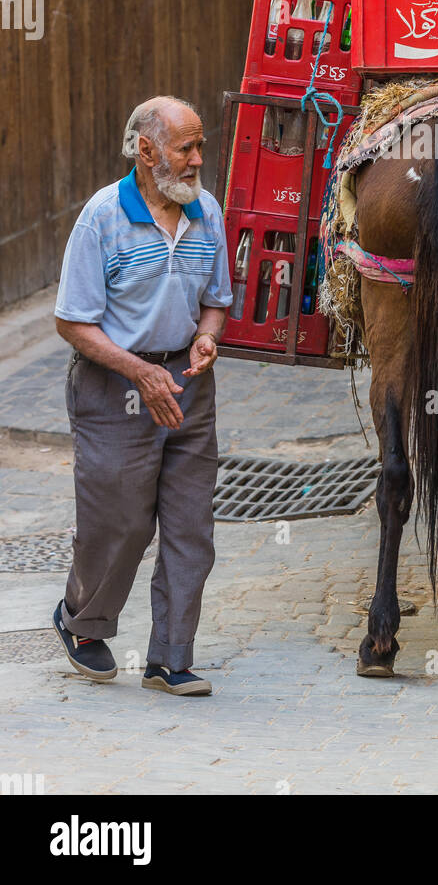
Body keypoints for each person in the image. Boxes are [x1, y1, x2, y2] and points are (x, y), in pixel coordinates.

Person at [52, 97, 233, 693]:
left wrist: (206, 338)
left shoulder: (205, 210)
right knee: (121, 521)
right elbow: (72, 321)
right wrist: (139, 372)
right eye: (186, 148)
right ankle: (83, 621)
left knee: (191, 526)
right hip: (115, 389)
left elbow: (216, 299)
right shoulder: (102, 217)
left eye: (200, 147)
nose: (197, 160)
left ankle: (170, 656)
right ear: (147, 150)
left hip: (187, 385)